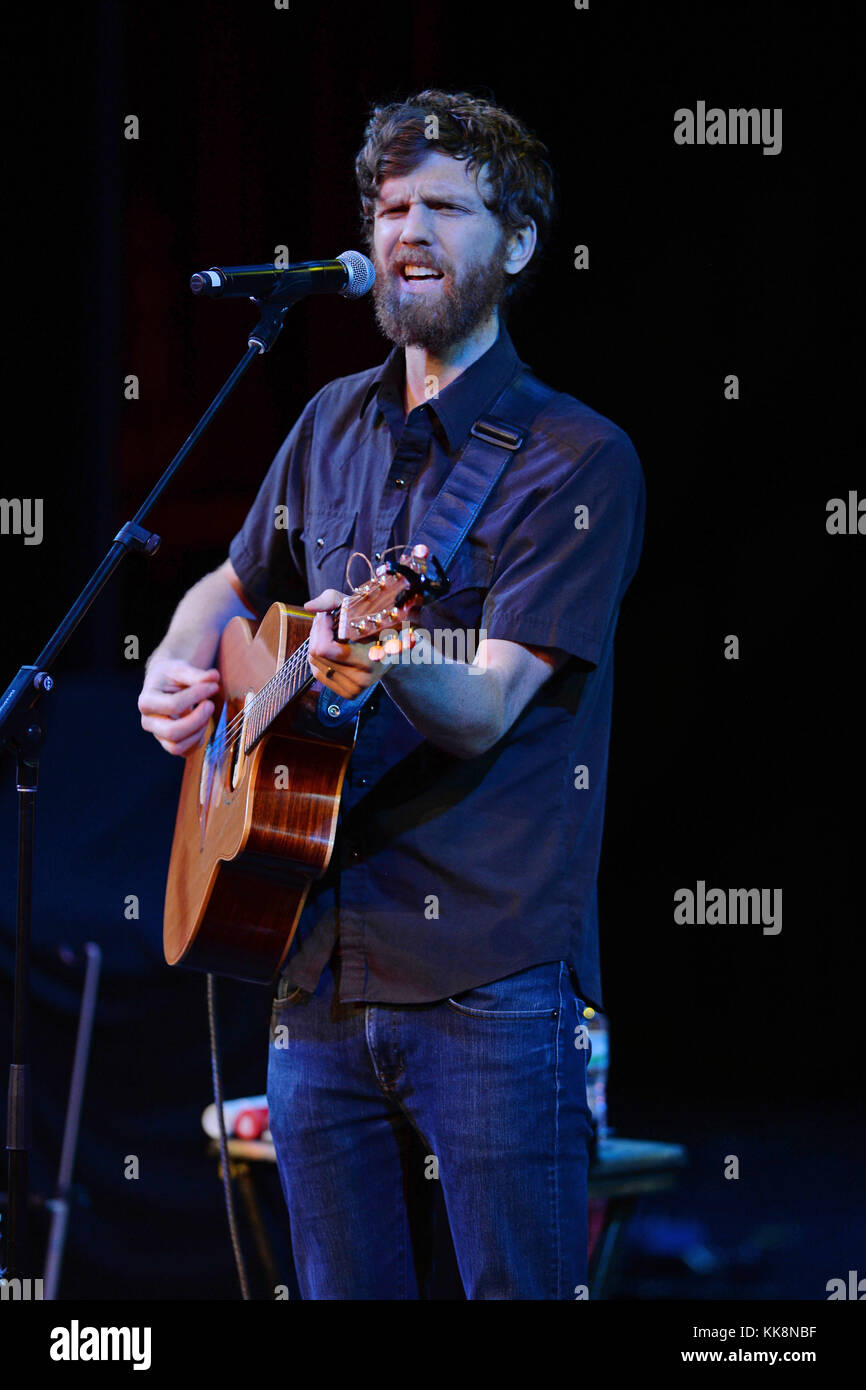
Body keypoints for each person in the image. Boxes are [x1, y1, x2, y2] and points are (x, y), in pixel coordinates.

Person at [138, 89, 645, 1300]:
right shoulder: (329, 424)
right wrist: (176, 656)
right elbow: (228, 579)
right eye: (390, 203)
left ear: (515, 244)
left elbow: (481, 709)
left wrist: (374, 651)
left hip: (490, 982)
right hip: (315, 968)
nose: (409, 229)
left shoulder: (577, 459)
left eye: (445, 207)